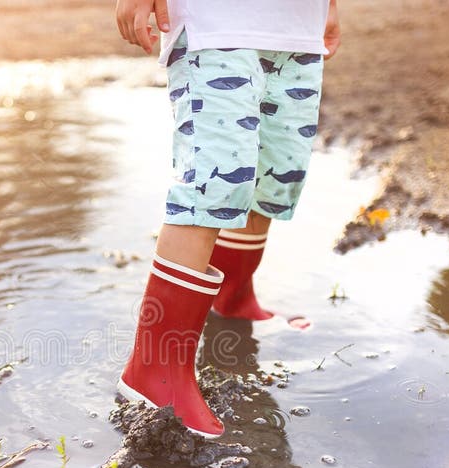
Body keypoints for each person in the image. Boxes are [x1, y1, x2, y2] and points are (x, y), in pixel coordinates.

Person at [115, 0, 341, 437]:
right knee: (213, 182)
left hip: (298, 26)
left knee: (276, 171)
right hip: (215, 24)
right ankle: (154, 368)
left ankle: (233, 299)